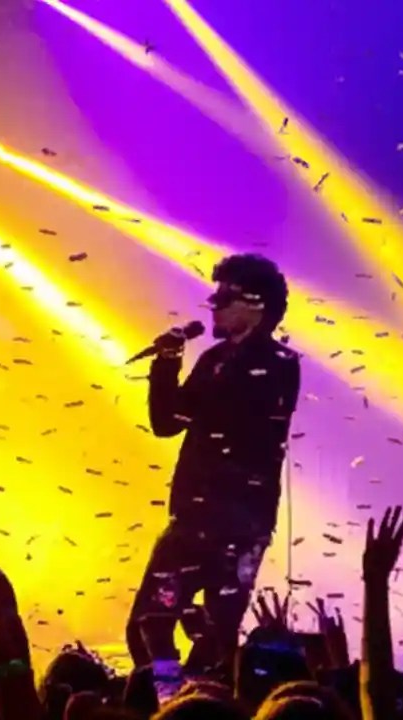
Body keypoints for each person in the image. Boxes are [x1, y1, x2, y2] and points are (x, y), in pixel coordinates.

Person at [125, 253, 301, 671]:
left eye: (226, 296)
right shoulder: (214, 360)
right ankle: (169, 695)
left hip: (239, 525)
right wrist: (166, 365)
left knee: (219, 634)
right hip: (191, 518)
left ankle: (206, 699)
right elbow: (167, 423)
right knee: (149, 622)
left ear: (257, 306)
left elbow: (237, 414)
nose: (214, 304)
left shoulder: (278, 364)